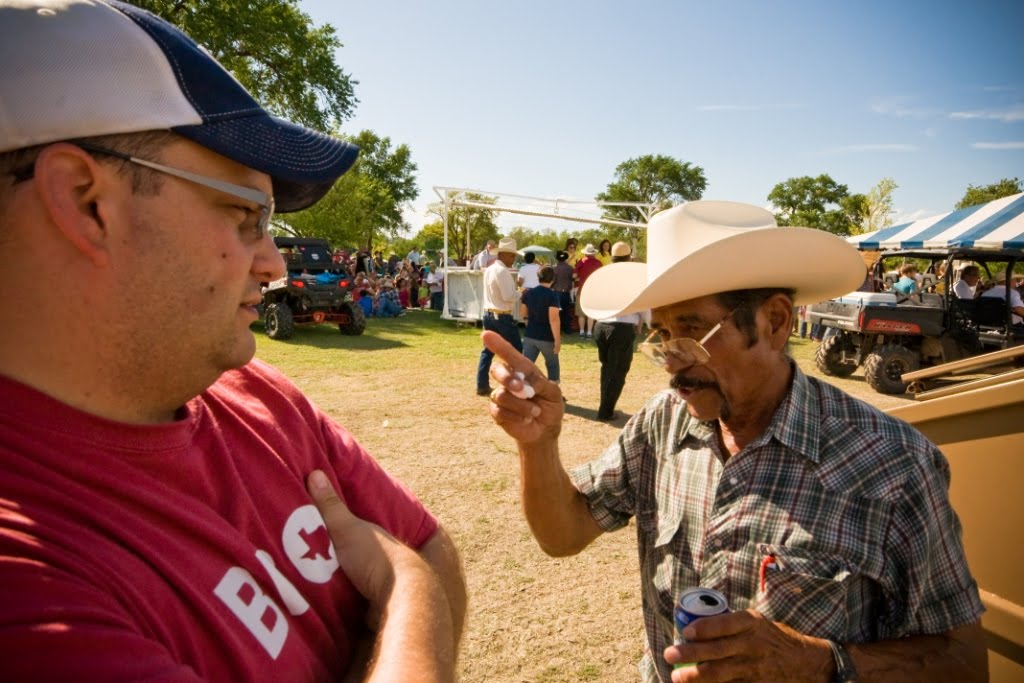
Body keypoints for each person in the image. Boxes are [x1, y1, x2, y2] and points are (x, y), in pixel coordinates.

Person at [0, 2, 465, 681]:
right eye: (246, 213)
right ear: (85, 202)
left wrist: (417, 581)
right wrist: (406, 591)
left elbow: (433, 544)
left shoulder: (255, 393)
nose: (273, 263)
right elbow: (422, 564)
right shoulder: (27, 589)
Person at [480, 200, 986, 683]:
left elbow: (963, 663)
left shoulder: (892, 462)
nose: (673, 365)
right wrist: (538, 445)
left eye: (691, 331)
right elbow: (563, 535)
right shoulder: (662, 423)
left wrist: (817, 665)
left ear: (775, 322)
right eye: (661, 336)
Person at [593, 242, 644, 422]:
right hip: (621, 328)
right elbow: (642, 303)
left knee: (607, 369)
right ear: (629, 258)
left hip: (601, 325)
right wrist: (643, 322)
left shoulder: (602, 275)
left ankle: (605, 407)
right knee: (617, 372)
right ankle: (605, 411)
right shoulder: (632, 278)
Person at [476, 237, 522, 396]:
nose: (513, 259)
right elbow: (508, 296)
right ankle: (515, 386)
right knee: (517, 351)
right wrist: (520, 293)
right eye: (511, 255)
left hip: (489, 314)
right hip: (502, 316)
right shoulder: (502, 272)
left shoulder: (490, 269)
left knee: (487, 351)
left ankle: (482, 384)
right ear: (502, 254)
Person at [519, 266, 562, 389]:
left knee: (526, 366)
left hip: (530, 335)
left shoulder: (528, 293)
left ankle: (521, 390)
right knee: (552, 365)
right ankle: (553, 392)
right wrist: (557, 340)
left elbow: (523, 313)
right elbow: (553, 320)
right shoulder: (553, 295)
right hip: (547, 337)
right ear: (553, 279)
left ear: (538, 277)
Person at [574, 243, 603, 338]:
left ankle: (582, 332)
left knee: (581, 314)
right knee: (591, 313)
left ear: (585, 253)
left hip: (582, 290)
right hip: (594, 291)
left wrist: (579, 276)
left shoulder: (581, 261)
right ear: (594, 253)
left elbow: (574, 276)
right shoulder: (599, 263)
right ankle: (589, 332)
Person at [552, 250, 575, 333]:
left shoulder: (555, 269)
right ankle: (567, 329)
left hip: (557, 292)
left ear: (557, 259)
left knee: (557, 312)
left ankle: (558, 329)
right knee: (566, 311)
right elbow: (572, 278)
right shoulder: (570, 268)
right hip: (566, 292)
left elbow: (553, 281)